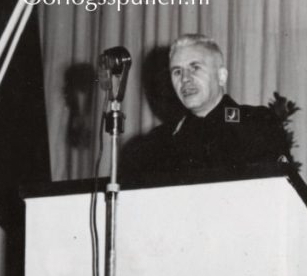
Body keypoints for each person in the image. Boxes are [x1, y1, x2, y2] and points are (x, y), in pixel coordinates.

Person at [121, 34, 292, 179]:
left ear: (221, 76)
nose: (185, 79)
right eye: (177, 71)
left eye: (195, 67)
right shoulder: (159, 142)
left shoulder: (257, 123)